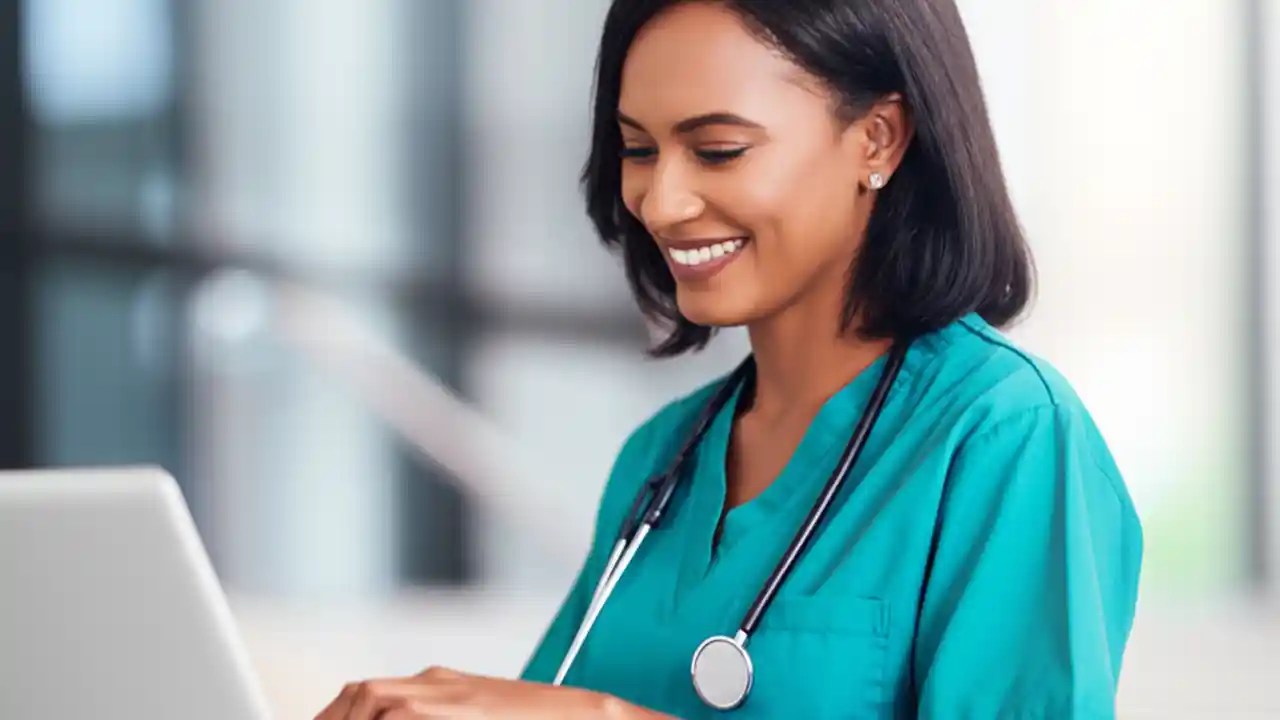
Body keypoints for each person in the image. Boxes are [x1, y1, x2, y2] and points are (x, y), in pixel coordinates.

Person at [315, 0, 1143, 717]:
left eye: (717, 151)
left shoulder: (1003, 434)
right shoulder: (664, 459)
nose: (662, 202)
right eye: (639, 150)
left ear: (878, 140)